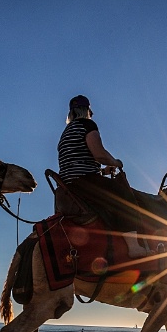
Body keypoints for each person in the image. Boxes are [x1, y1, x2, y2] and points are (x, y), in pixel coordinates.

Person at [57, 95, 149, 258]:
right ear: (87, 111)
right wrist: (115, 162)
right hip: (84, 181)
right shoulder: (87, 125)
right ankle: (134, 247)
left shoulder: (66, 133)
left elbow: (78, 162)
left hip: (69, 185)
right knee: (123, 194)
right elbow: (99, 154)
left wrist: (103, 171)